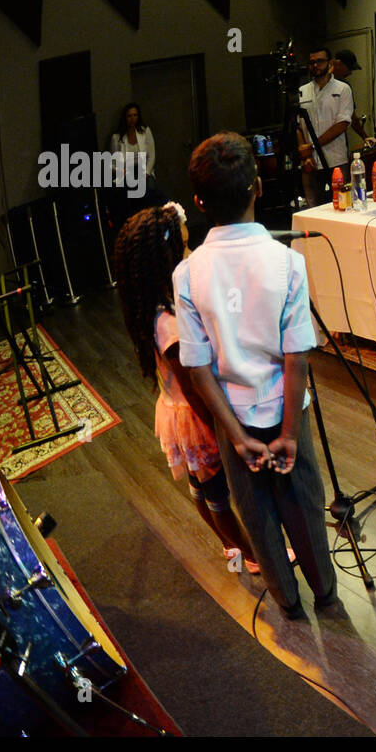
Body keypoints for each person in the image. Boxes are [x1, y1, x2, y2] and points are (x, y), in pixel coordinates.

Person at [176, 132, 340, 620]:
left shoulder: (187, 274)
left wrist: (237, 437)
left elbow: (197, 367)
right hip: (284, 413)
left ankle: (287, 601)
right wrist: (288, 434)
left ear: (200, 201)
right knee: (304, 507)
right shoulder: (288, 262)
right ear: (258, 188)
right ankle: (325, 596)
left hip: (233, 423)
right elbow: (296, 359)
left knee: (257, 515)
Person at [112, 201, 258, 574]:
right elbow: (194, 383)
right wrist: (222, 426)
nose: (190, 253)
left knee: (201, 484)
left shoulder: (157, 305)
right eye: (184, 247)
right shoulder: (167, 323)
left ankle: (231, 546)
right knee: (216, 491)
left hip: (176, 409)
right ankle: (250, 554)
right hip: (193, 413)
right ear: (166, 260)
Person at [296, 45, 354, 206]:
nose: (315, 66)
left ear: (329, 63)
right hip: (310, 164)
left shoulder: (343, 89)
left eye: (320, 61)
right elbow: (298, 125)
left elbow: (342, 124)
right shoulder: (302, 91)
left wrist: (312, 146)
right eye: (312, 62)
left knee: (342, 206)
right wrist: (305, 154)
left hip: (336, 160)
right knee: (312, 208)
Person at [109, 102, 162, 205]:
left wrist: (146, 173)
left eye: (135, 115)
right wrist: (120, 171)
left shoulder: (145, 131)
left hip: (143, 171)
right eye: (129, 116)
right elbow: (112, 163)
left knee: (150, 190)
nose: (132, 119)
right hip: (126, 172)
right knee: (125, 193)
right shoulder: (117, 137)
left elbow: (152, 155)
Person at [330, 49, 368, 142]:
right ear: (338, 64)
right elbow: (352, 116)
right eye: (349, 68)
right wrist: (365, 137)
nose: (350, 73)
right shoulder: (343, 86)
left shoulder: (343, 85)